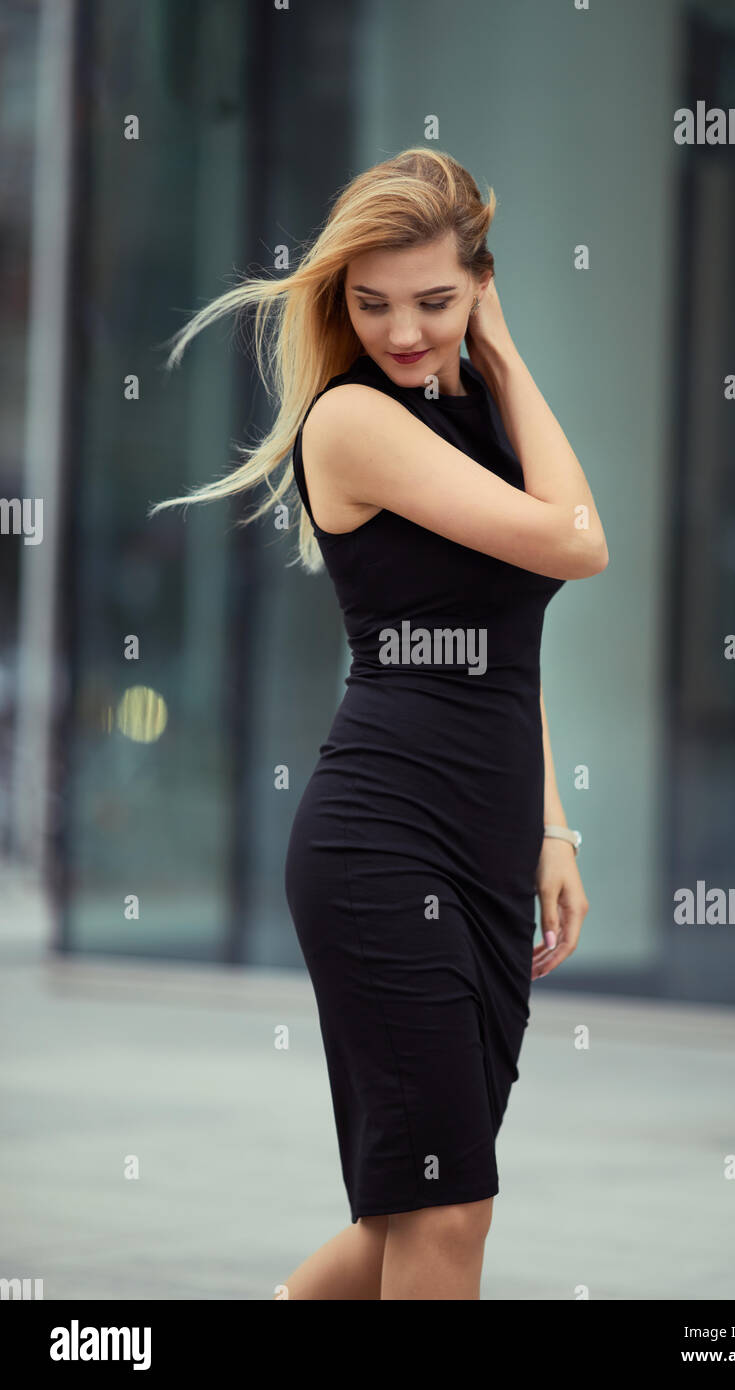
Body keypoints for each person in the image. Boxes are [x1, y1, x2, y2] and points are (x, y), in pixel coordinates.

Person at [150, 148, 607, 1300]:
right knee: (446, 1204)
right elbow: (578, 537)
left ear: (478, 282)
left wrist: (551, 830)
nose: (403, 330)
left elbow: (509, 646)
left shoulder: (469, 426)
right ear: (339, 300)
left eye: (437, 301)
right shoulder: (352, 419)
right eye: (372, 303)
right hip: (381, 842)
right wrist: (496, 346)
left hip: (489, 847)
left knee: (426, 1209)